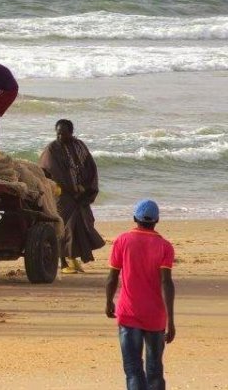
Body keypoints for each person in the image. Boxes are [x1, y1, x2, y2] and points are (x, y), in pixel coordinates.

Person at [105, 200, 176, 390]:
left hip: (128, 313)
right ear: (157, 220)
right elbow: (166, 282)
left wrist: (108, 302)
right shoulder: (165, 246)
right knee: (155, 370)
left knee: (133, 369)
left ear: (135, 218)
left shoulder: (122, 241)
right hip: (156, 317)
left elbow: (112, 278)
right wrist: (171, 320)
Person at [40, 119, 105, 274]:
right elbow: (51, 171)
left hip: (80, 195)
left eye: (63, 133)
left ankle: (73, 259)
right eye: (58, 133)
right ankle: (62, 263)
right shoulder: (52, 149)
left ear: (71, 132)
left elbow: (90, 167)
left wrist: (86, 189)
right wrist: (70, 189)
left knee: (84, 224)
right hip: (62, 195)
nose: (59, 136)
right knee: (64, 227)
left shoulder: (79, 146)